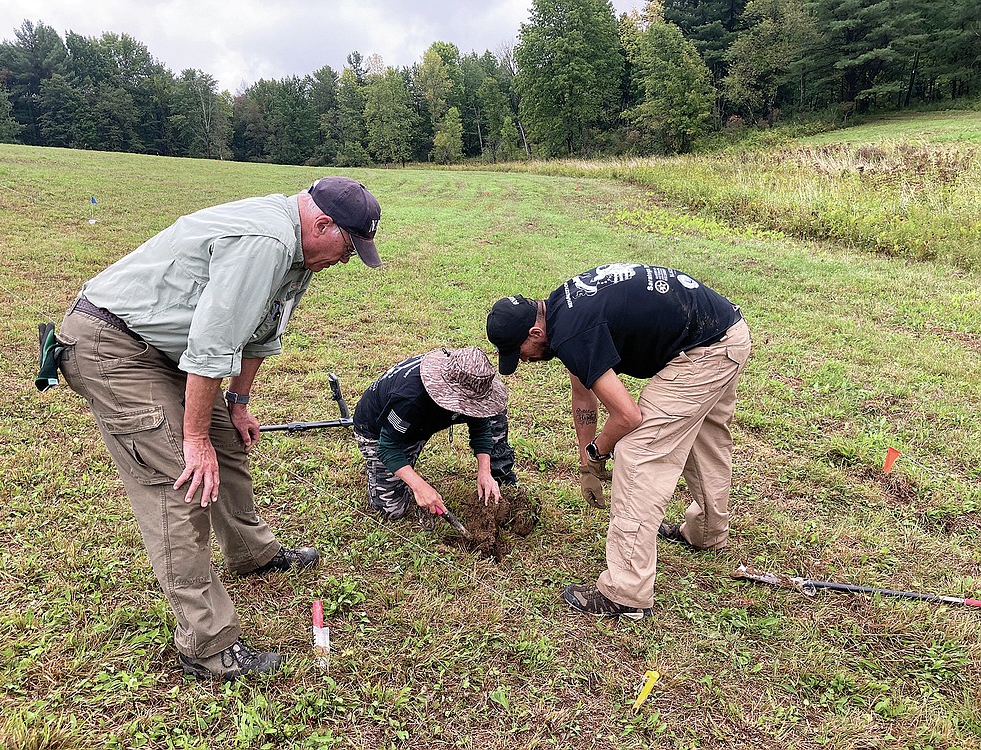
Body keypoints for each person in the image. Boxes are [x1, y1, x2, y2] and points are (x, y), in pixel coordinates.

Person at [56, 177, 382, 679]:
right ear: (324, 224)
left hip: (168, 351)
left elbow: (259, 331)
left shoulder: (299, 249)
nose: (345, 260)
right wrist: (193, 438)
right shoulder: (267, 243)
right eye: (348, 247)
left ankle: (250, 552)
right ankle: (206, 646)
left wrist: (237, 402)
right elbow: (211, 344)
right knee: (180, 479)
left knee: (227, 444)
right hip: (113, 346)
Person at [487, 263, 751, 620]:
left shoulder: (571, 334)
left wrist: (599, 451)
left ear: (535, 332)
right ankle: (707, 532)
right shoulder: (563, 310)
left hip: (705, 351)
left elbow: (628, 417)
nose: (523, 360)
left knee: (639, 452)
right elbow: (584, 394)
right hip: (725, 331)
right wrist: (586, 465)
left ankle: (626, 592)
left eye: (519, 351)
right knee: (705, 438)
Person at [352, 347, 516, 523]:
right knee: (391, 510)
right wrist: (419, 486)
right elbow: (388, 448)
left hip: (421, 422)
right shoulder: (409, 398)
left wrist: (485, 470)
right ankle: (387, 473)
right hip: (376, 430)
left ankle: (498, 478)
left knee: (494, 413)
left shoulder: (470, 375)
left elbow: (481, 423)